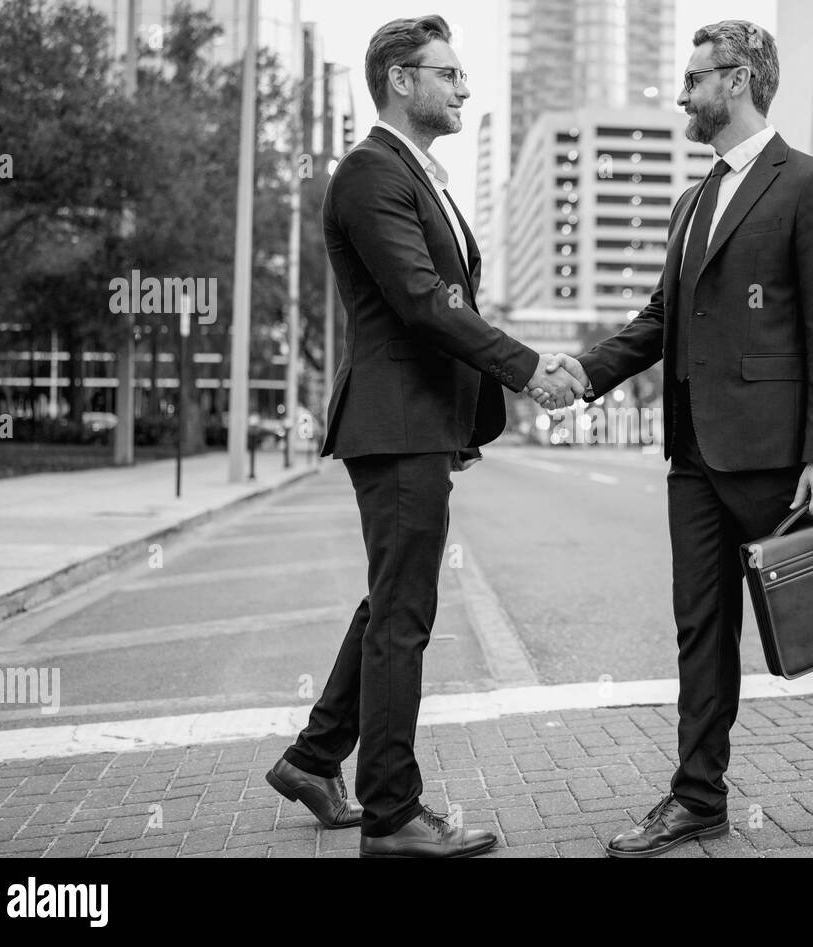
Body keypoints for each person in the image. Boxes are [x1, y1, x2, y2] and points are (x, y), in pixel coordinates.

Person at [550, 19, 813, 857]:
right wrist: (582, 374)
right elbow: (660, 321)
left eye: (694, 79)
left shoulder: (812, 183)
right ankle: (697, 798)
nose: (683, 93)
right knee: (701, 629)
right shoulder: (693, 199)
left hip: (777, 454)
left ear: (741, 79)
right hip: (694, 456)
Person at [264, 14, 581, 859]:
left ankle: (311, 757)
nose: (463, 87)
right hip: (395, 421)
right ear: (401, 79)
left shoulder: (415, 173)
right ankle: (395, 813)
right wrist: (525, 366)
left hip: (418, 424)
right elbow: (424, 301)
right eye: (447, 73)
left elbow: (447, 300)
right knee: (404, 612)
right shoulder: (370, 172)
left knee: (389, 601)